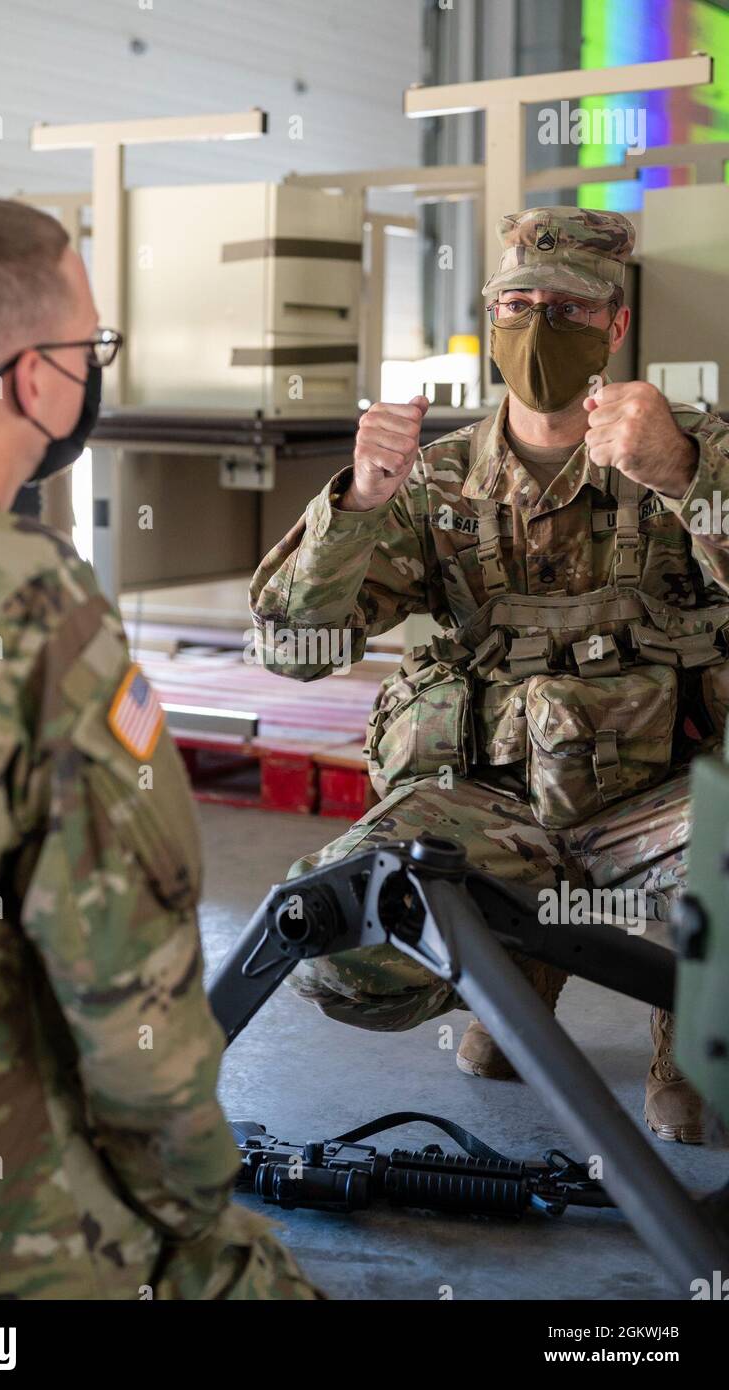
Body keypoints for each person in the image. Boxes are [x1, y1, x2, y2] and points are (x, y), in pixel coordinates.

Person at [0, 196, 321, 1299]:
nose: (92, 369)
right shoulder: (38, 614)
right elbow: (134, 1004)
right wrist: (198, 1207)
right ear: (34, 379)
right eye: (91, 347)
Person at [250, 206, 729, 1145]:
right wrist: (354, 506)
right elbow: (290, 648)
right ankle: (520, 971)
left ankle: (689, 1027)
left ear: (616, 326)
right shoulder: (431, 481)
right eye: (517, 303)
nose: (538, 324)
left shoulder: (694, 447)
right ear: (490, 315)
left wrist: (681, 473)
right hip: (495, 800)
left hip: (672, 800)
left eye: (569, 308)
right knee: (339, 940)